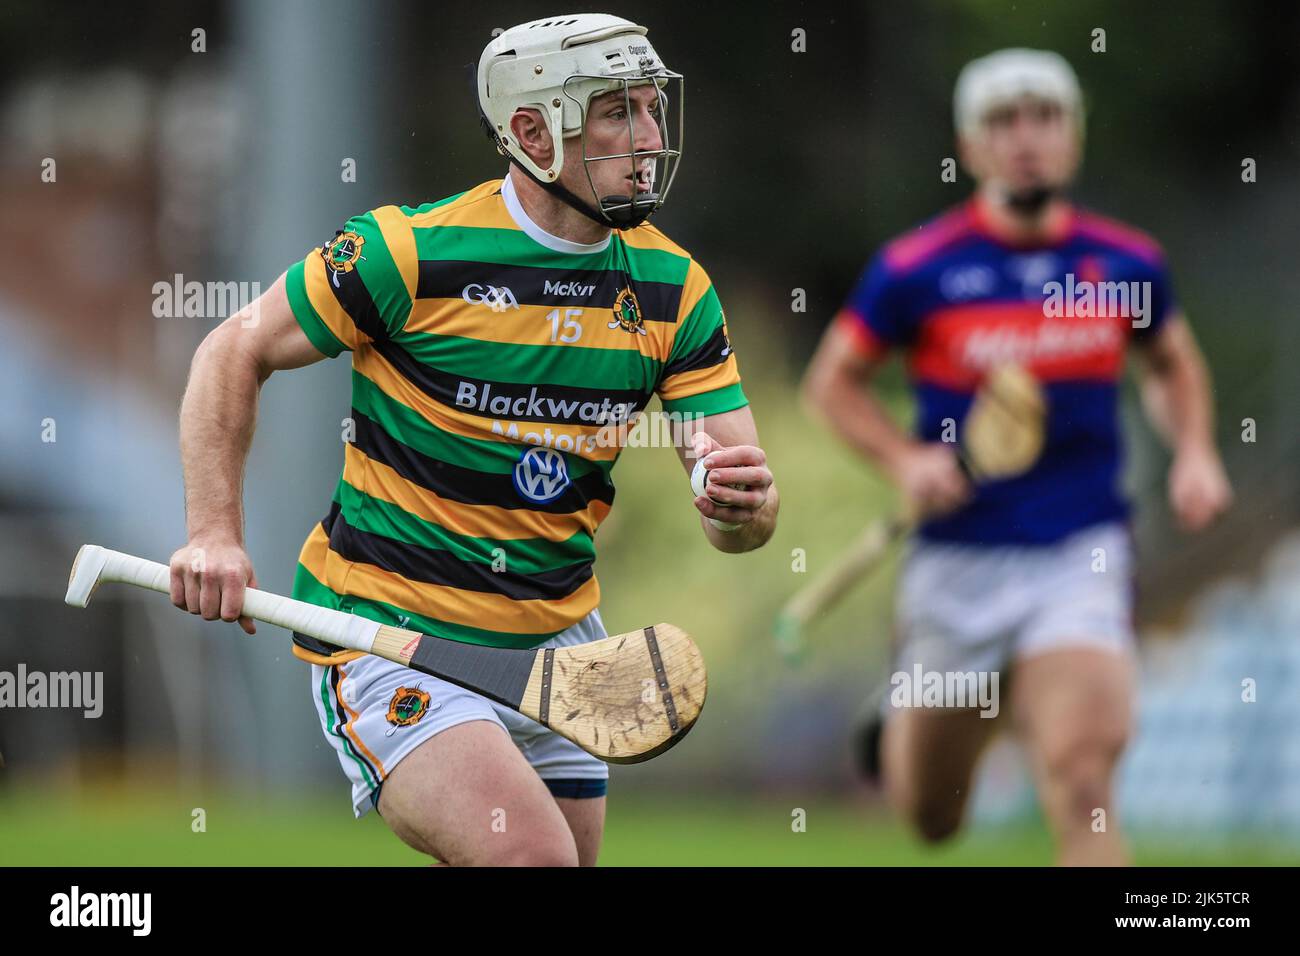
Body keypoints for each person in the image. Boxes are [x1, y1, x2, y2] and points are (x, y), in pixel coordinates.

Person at [168, 13, 778, 866]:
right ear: (531, 131)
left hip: (560, 644)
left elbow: (741, 518)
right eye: (617, 114)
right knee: (531, 858)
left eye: (652, 109)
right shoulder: (405, 252)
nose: (647, 139)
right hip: (393, 632)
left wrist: (740, 506)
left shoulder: (676, 288)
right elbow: (231, 350)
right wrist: (212, 532)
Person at [802, 48, 1231, 865]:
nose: (1026, 138)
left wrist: (1198, 454)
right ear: (970, 145)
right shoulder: (915, 268)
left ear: (1073, 138)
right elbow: (832, 385)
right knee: (933, 817)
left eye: (1045, 118)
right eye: (1003, 121)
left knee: (1082, 781)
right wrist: (903, 461)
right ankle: (911, 718)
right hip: (957, 561)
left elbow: (1172, 363)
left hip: (1079, 552)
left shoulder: (1124, 264)